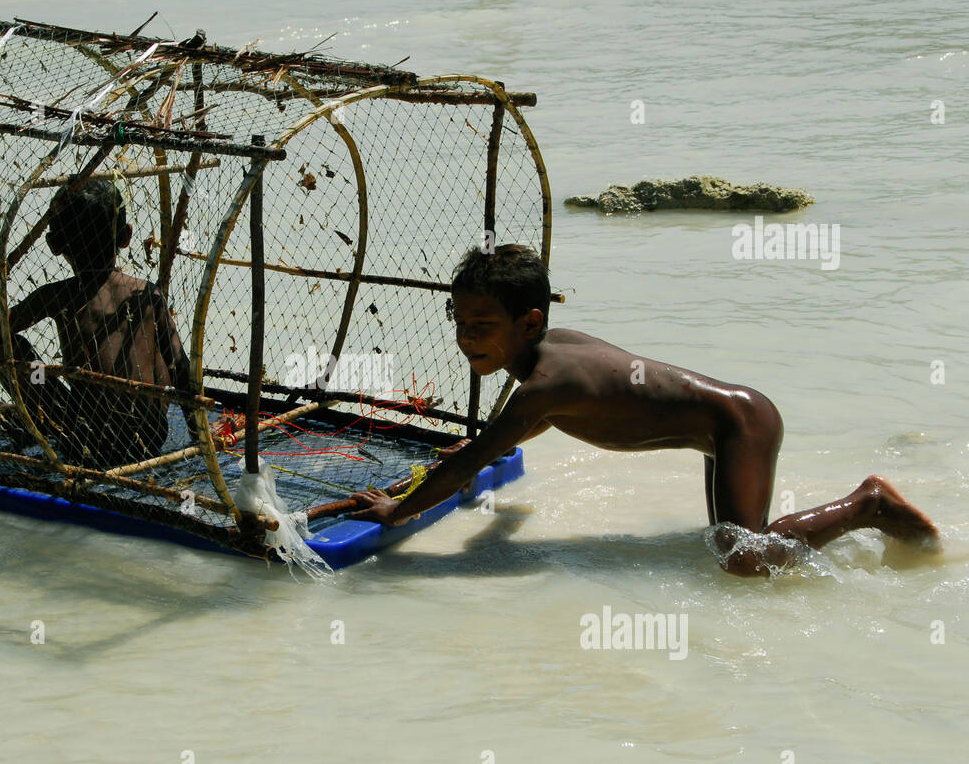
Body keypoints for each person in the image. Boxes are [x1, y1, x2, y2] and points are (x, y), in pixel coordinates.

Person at [348, 243, 939, 576]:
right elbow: (481, 456)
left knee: (744, 561)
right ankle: (871, 513)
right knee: (726, 541)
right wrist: (504, 519)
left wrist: (399, 510)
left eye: (482, 326)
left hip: (741, 424)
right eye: (460, 323)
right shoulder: (547, 353)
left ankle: (868, 505)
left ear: (530, 323)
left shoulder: (543, 388)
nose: (467, 339)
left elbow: (470, 460)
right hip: (723, 425)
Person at [0, 177, 198, 469]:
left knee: (9, 352)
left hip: (87, 442)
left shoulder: (59, 295)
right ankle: (24, 415)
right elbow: (183, 372)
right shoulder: (148, 293)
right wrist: (198, 436)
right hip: (149, 440)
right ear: (126, 237)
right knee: (155, 349)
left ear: (54, 244)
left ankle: (32, 417)